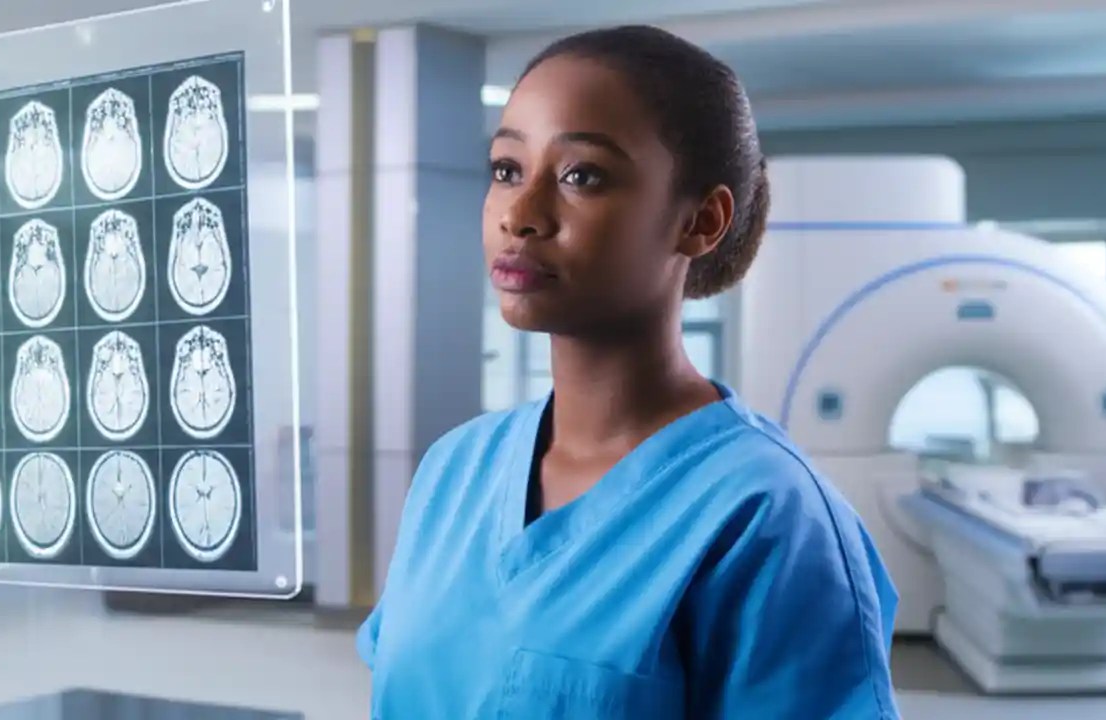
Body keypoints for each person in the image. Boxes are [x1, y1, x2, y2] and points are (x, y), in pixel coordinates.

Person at [357, 24, 901, 719]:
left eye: (581, 175)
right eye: (506, 170)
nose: (520, 217)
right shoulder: (454, 469)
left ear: (701, 221)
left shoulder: (769, 520)